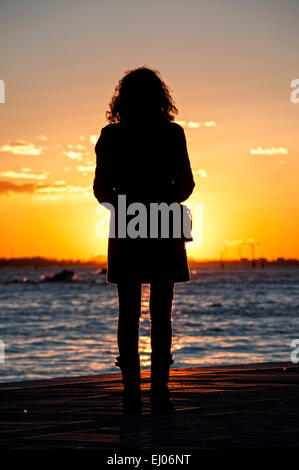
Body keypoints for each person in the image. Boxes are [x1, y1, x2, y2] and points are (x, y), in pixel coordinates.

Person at [93, 66, 195, 413]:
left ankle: (131, 395)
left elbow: (101, 190)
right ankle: (161, 395)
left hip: (127, 227)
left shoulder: (111, 136)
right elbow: (186, 185)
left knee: (128, 314)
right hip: (163, 224)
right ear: (160, 98)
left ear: (122, 99)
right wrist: (164, 199)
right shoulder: (172, 134)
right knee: (161, 314)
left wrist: (125, 206)